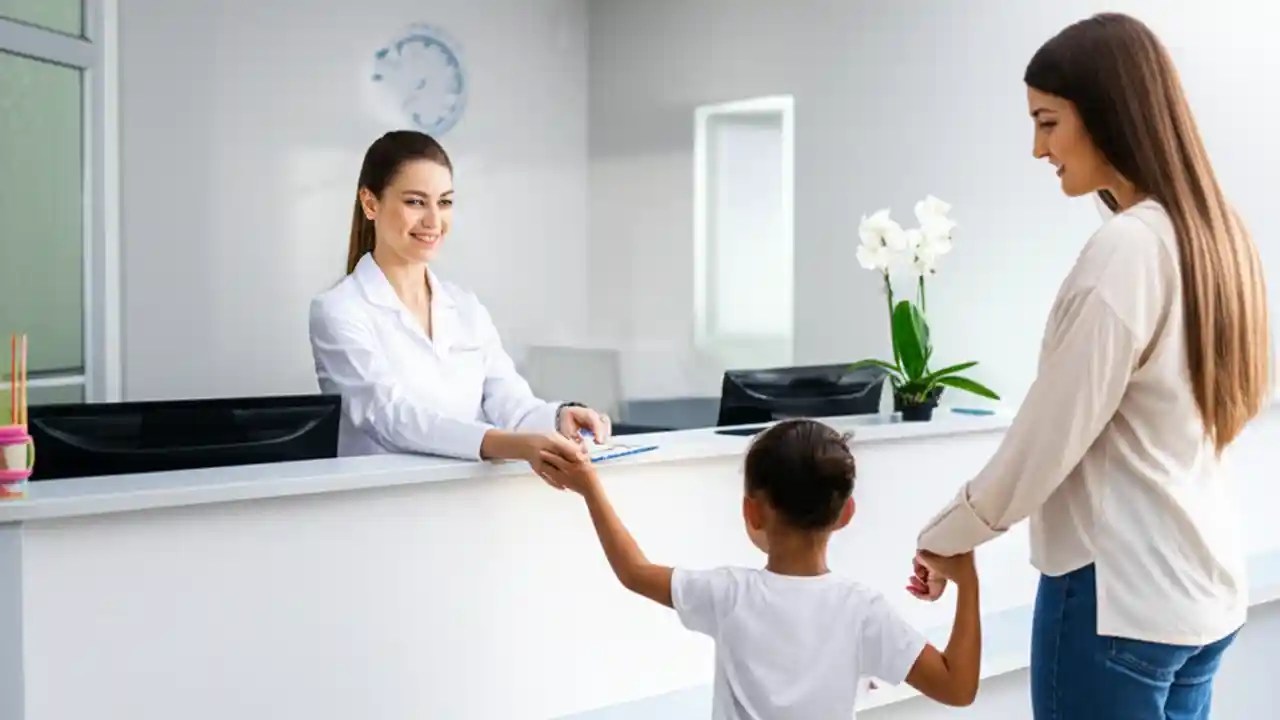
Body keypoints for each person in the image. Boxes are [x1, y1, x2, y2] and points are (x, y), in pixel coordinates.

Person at [908, 13, 1272, 720]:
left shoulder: (1130, 249)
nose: (1037, 148)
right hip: (1201, 593)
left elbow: (1046, 439)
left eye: (1048, 122)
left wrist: (943, 536)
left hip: (1117, 601)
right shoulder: (1218, 239)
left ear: (1107, 112)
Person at [540, 419, 982, 718]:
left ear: (752, 512)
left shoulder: (728, 595)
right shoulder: (862, 611)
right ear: (846, 513)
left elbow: (633, 571)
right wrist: (967, 581)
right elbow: (957, 688)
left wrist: (589, 488)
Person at [309, 130, 611, 476]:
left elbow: (510, 404)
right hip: (381, 509)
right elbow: (389, 418)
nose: (433, 221)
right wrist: (508, 444)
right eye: (415, 202)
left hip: (466, 504)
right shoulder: (339, 310)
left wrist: (560, 418)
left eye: (445, 202)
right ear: (370, 203)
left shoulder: (466, 307)